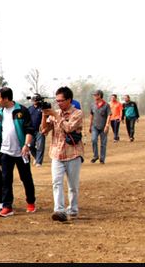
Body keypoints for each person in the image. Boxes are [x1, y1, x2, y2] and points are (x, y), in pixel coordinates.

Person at [40, 86, 84, 222]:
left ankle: (73, 209)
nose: (58, 103)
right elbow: (44, 130)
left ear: (69, 100)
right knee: (56, 182)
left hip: (73, 153)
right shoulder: (55, 114)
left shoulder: (77, 113)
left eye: (61, 100)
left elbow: (69, 128)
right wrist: (44, 115)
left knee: (73, 186)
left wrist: (55, 115)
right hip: (56, 154)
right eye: (57, 100)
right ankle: (59, 210)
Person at [0, 87, 37, 217]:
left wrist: (26, 145)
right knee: (6, 180)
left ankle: (31, 202)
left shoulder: (21, 110)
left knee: (26, 178)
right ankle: (7, 206)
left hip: (21, 152)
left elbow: (29, 130)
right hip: (5, 151)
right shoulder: (0, 112)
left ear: (6, 98)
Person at [88, 90, 110, 164]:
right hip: (95, 126)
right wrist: (90, 125)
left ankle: (102, 159)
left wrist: (107, 125)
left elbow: (109, 115)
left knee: (103, 143)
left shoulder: (106, 105)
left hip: (103, 127)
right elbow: (91, 115)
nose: (94, 96)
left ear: (99, 95)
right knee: (94, 140)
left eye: (95, 95)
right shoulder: (93, 105)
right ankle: (95, 156)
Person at [27, 94, 46, 167]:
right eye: (33, 99)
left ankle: (39, 162)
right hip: (31, 130)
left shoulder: (42, 108)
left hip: (40, 130)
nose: (34, 100)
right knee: (30, 145)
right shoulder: (29, 109)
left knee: (40, 146)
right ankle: (36, 157)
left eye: (36, 99)